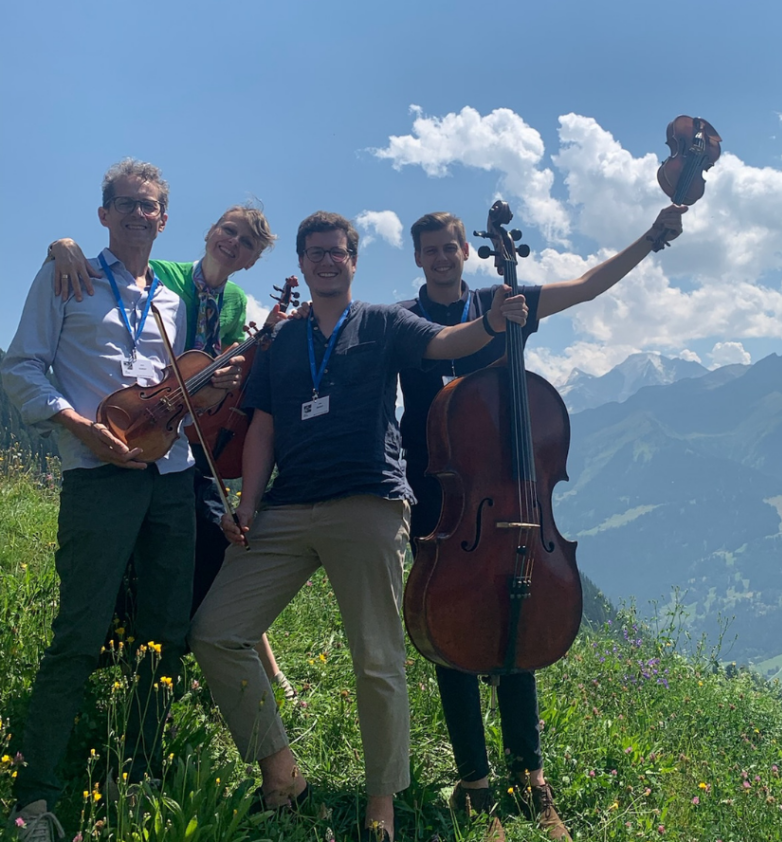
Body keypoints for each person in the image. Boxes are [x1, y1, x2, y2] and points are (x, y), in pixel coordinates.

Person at [188, 210, 528, 842]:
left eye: (337, 252)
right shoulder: (282, 340)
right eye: (314, 252)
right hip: (287, 507)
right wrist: (248, 504)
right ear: (301, 261)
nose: (326, 261)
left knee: (377, 658)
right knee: (216, 631)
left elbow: (444, 343)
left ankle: (382, 802)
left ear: (352, 260)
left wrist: (489, 323)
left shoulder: (381, 321)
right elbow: (261, 427)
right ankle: (281, 769)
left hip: (369, 502)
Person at [398, 202, 686, 842]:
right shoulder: (406, 321)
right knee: (452, 638)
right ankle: (474, 783)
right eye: (431, 251)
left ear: (466, 251)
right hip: (441, 498)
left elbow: (585, 287)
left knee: (518, 627)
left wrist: (648, 237)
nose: (443, 258)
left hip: (517, 506)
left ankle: (530, 776)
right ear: (419, 259)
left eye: (450, 247)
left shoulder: (506, 299)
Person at [1, 160, 235, 842]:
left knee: (164, 635)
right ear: (104, 214)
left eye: (150, 206)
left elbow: (173, 402)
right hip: (97, 477)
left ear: (164, 219)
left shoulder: (170, 301)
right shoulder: (66, 276)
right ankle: (36, 797)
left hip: (170, 480)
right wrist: (78, 427)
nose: (139, 214)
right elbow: (20, 365)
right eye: (126, 204)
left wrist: (210, 393)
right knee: (79, 632)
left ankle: (138, 778)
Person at [46, 206, 297, 697]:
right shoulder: (164, 276)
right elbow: (117, 267)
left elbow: (215, 379)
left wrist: (229, 375)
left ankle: (199, 659)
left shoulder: (235, 303)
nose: (233, 243)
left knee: (208, 551)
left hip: (189, 441)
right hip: (137, 429)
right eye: (229, 231)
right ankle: (112, 657)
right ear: (210, 232)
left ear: (250, 261)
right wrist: (62, 246)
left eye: (246, 243)